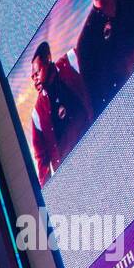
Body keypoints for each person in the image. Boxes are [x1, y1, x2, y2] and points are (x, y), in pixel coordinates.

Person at [27, 42, 93, 185]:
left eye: (37, 73)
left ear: (48, 59)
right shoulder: (37, 114)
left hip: (96, 147)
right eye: (32, 77)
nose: (35, 80)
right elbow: (42, 161)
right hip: (74, 175)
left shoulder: (70, 61)